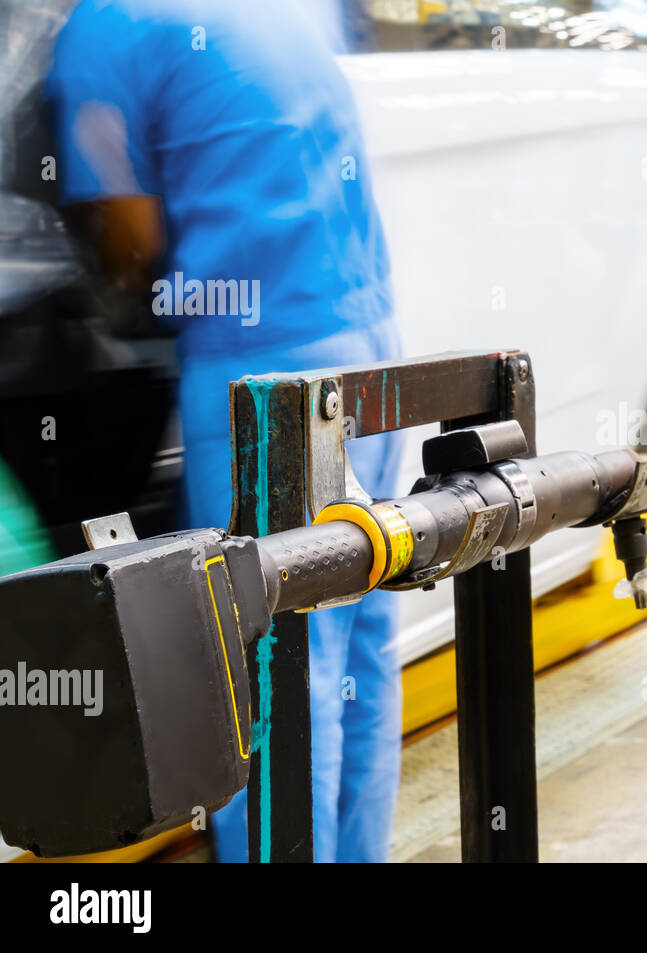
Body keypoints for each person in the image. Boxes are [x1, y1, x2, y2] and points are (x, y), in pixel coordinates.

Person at [45, 0, 404, 862]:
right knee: (358, 648)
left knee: (267, 670)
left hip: (262, 377)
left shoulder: (105, 29)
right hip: (373, 353)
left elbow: (130, 237)